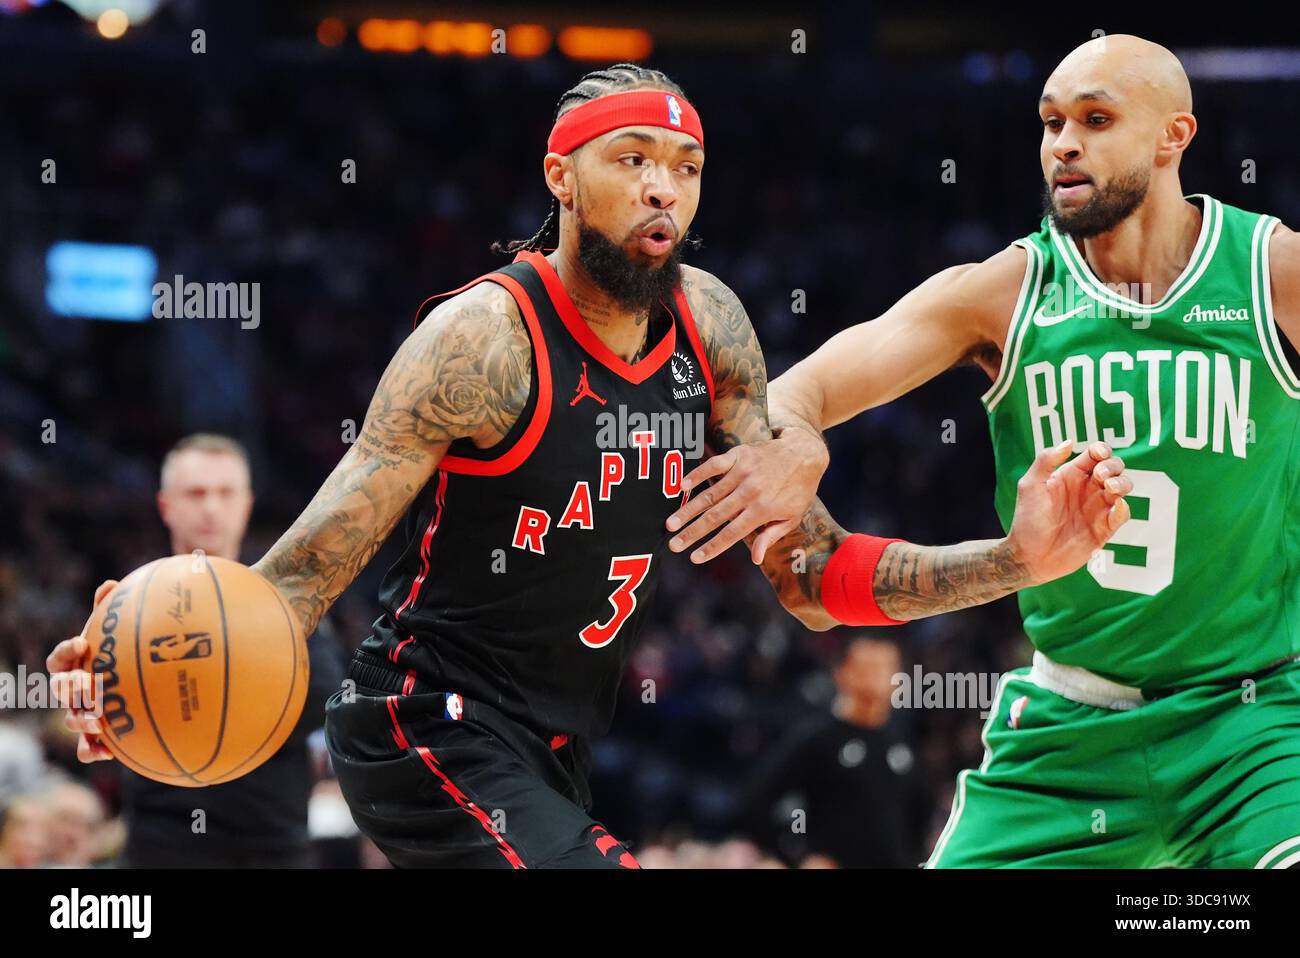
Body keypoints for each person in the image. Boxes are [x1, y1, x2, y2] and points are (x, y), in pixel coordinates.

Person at [50, 64, 1130, 869]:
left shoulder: (714, 334)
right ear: (562, 176)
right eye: (634, 162)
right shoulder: (485, 341)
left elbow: (810, 579)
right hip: (423, 722)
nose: (665, 190)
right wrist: (134, 667)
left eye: (686, 168)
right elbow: (298, 579)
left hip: (556, 743)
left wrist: (1017, 558)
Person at [668, 36, 1300, 869]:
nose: (1062, 144)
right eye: (1050, 122)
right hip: (1069, 731)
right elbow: (795, 392)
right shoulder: (1003, 294)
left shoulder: (1268, 271)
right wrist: (791, 445)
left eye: (1096, 119)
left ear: (1173, 135)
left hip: (1250, 723)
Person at [88, 434, 345, 868]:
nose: (211, 507)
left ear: (246, 504)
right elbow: (85, 705)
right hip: (159, 849)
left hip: (272, 849)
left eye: (225, 493)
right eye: (195, 493)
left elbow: (324, 702)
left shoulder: (283, 603)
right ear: (166, 505)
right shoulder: (123, 605)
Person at [738, 639, 928, 868]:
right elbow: (758, 799)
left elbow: (921, 817)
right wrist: (798, 854)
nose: (876, 676)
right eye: (866, 668)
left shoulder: (902, 746)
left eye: (885, 668)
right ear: (841, 673)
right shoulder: (819, 738)